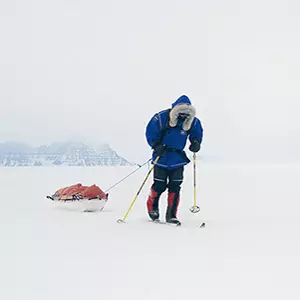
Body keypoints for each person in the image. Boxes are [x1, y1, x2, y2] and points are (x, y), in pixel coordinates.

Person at [145, 95, 203, 225]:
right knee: (159, 185)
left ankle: (171, 215)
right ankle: (152, 208)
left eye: (186, 113)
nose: (183, 116)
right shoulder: (161, 117)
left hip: (178, 159)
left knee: (175, 187)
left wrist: (196, 142)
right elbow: (151, 132)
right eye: (181, 112)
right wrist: (155, 145)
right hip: (162, 157)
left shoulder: (193, 121)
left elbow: (197, 133)